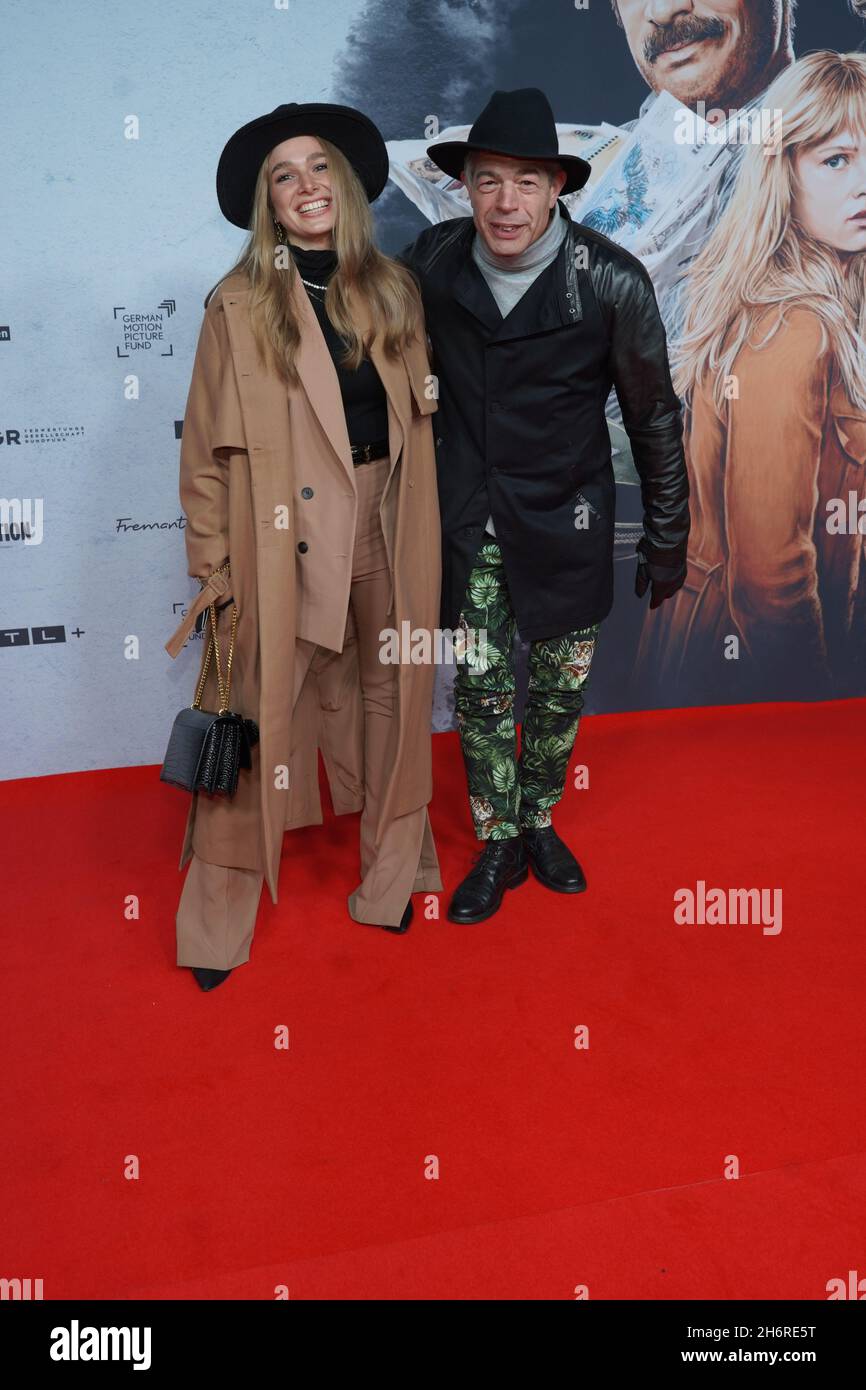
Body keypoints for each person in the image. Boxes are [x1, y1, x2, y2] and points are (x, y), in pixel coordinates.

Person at [164, 103, 443, 990]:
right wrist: (215, 568)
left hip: (387, 518)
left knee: (392, 695)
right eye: (285, 176)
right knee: (259, 711)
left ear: (347, 187)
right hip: (277, 536)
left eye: (320, 168)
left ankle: (393, 880)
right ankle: (216, 927)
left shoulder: (392, 288)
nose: (307, 186)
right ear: (269, 205)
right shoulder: (237, 304)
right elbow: (205, 454)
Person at [398, 87, 690, 925]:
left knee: (557, 694)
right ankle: (496, 838)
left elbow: (653, 416)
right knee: (484, 695)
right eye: (488, 181)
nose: (506, 202)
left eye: (526, 182)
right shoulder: (431, 264)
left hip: (569, 520)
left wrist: (667, 536)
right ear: (466, 187)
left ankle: (539, 821)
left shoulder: (611, 281)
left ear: (556, 187)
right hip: (471, 521)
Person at [635, 51, 866, 705]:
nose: (864, 183)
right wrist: (812, 718)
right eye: (836, 159)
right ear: (782, 172)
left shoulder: (832, 302)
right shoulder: (792, 327)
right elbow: (770, 579)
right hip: (736, 678)